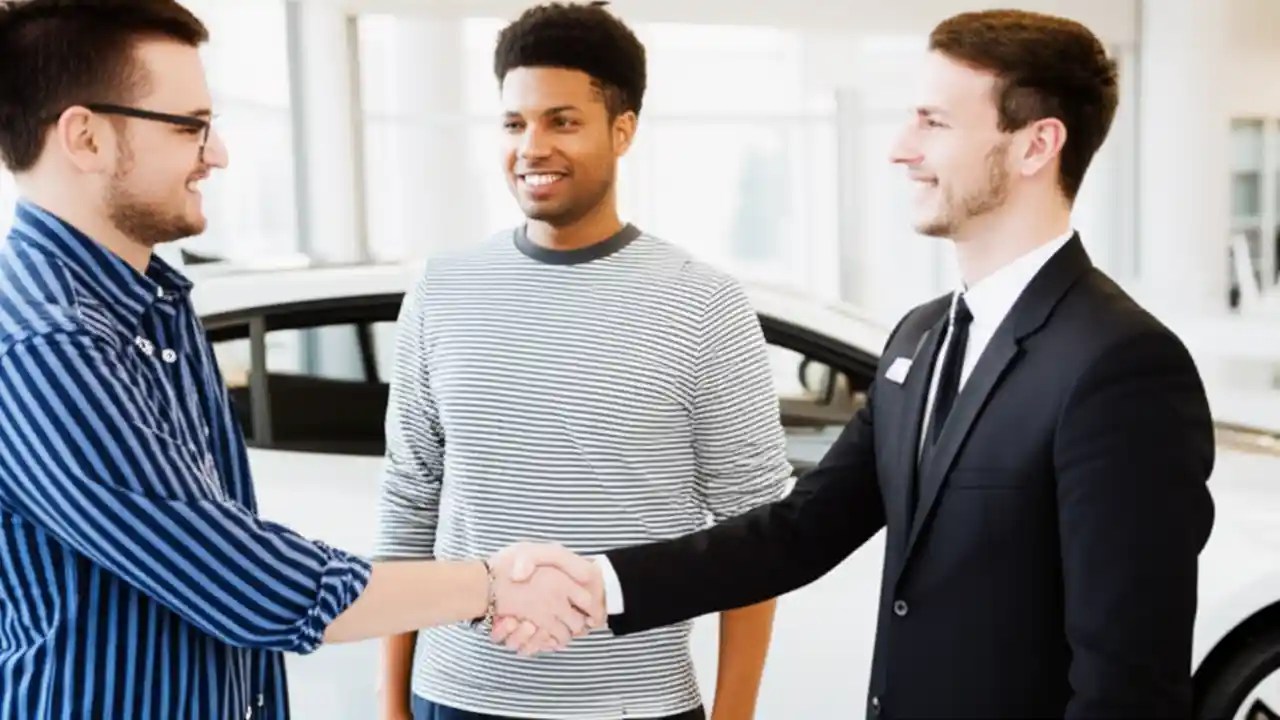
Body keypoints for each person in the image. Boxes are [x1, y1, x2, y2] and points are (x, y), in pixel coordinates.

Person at [495, 8, 1218, 718]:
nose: (901, 148)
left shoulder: (1121, 366)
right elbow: (799, 532)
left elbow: (1128, 688)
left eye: (933, 122)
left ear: (1036, 146)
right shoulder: (922, 336)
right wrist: (597, 582)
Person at [0, 2, 595, 718]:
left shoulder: (154, 305)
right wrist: (493, 584)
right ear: (85, 137)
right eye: (191, 126)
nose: (215, 155)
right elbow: (240, 580)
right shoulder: (43, 345)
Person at [374, 3, 789, 719]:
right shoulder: (442, 289)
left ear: (621, 131)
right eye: (514, 123)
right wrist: (391, 703)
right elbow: (408, 504)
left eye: (562, 120)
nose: (531, 146)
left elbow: (753, 537)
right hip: (454, 697)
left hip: (637, 706)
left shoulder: (705, 304)